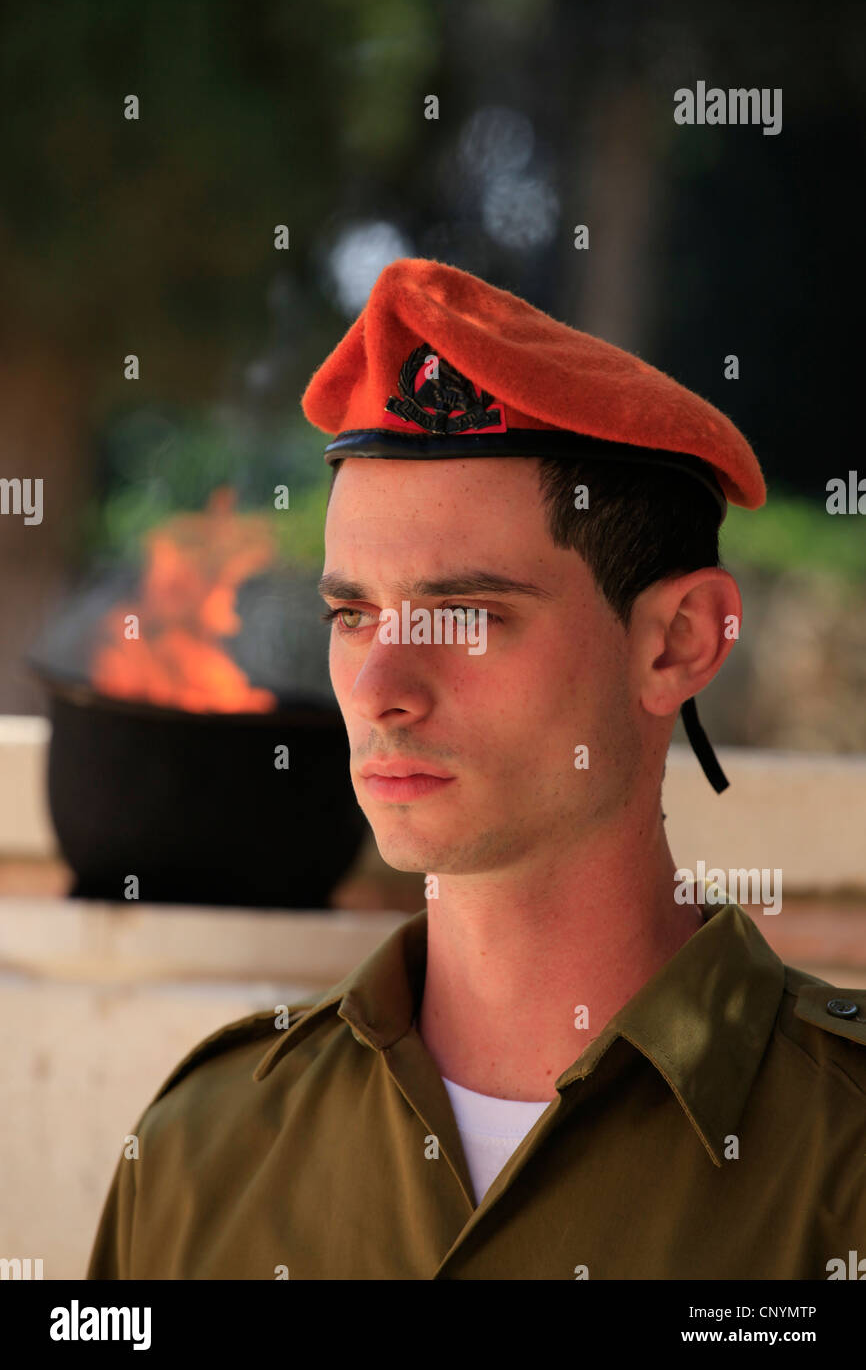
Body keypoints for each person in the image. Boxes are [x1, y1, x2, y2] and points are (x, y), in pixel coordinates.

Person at [87, 258, 866, 1280]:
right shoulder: (204, 1147)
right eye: (351, 613)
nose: (377, 686)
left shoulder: (839, 1156)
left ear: (677, 641)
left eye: (463, 616)